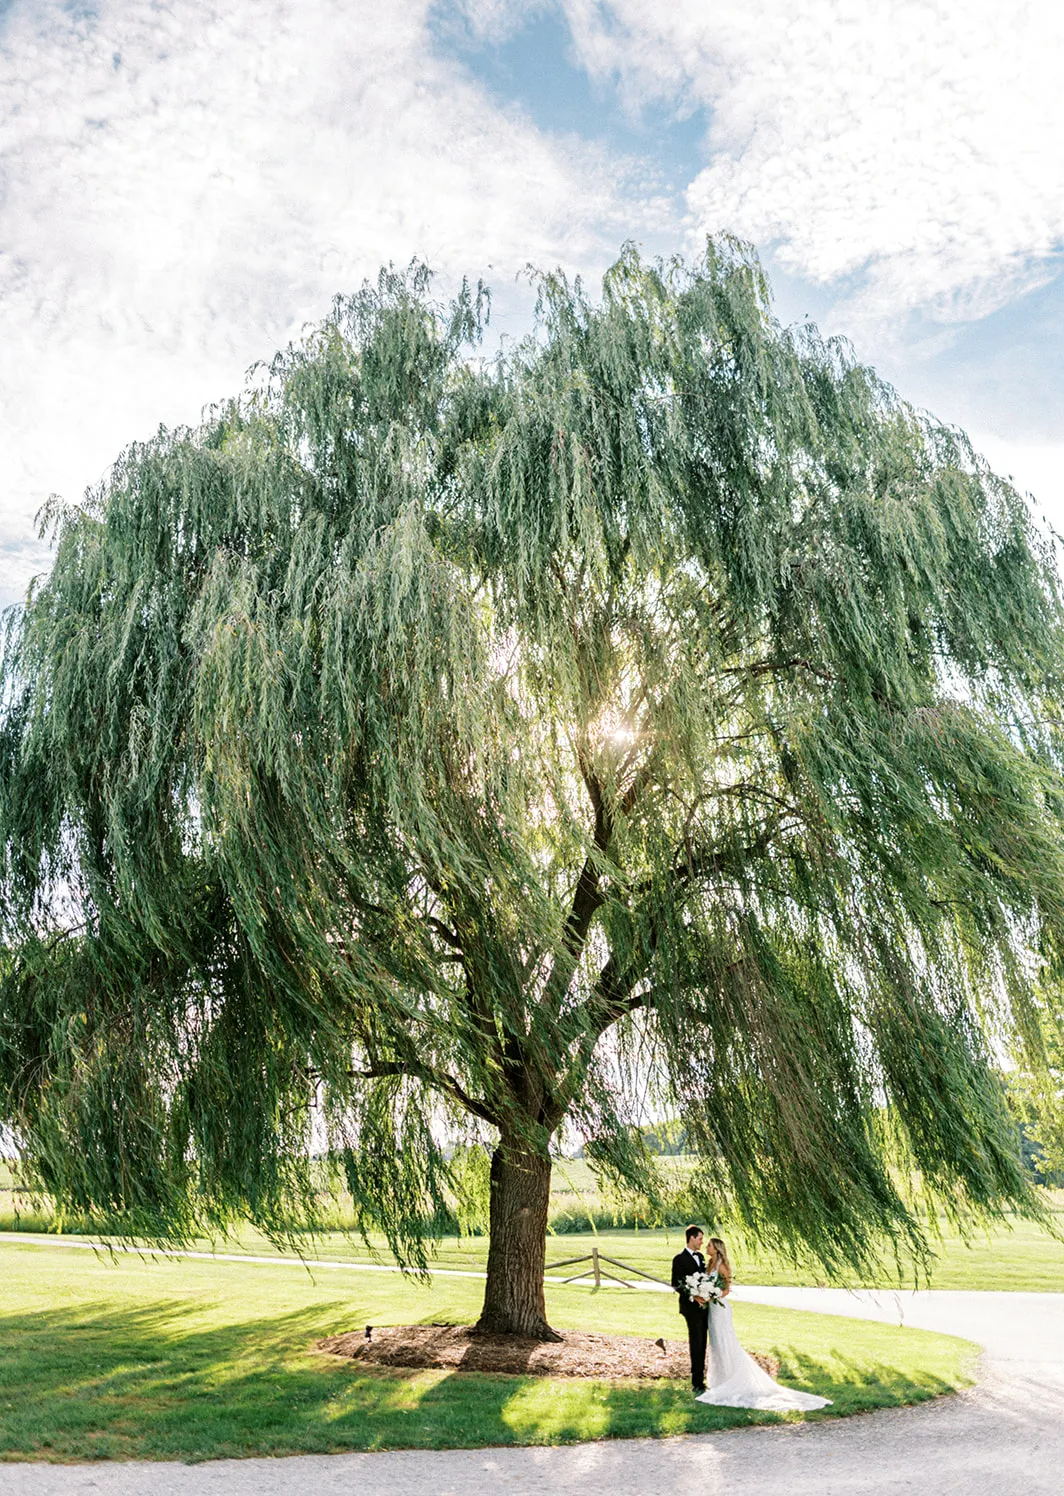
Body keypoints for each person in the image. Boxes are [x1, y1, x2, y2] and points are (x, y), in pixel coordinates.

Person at [695, 1236, 832, 1411]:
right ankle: (720, 1378)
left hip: (720, 1308)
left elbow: (727, 1288)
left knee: (725, 1340)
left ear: (717, 1249)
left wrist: (713, 1295)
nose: (707, 1247)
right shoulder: (709, 1264)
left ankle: (731, 1378)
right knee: (716, 1343)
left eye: (710, 1245)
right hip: (712, 1309)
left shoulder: (721, 1266)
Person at [671, 1223, 711, 1395]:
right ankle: (696, 1382)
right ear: (692, 1238)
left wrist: (707, 1293)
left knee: (703, 1342)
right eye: (700, 1238)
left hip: (704, 1308)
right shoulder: (679, 1259)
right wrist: (694, 1296)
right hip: (690, 1308)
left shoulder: (701, 1257)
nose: (702, 1242)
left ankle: (701, 1378)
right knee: (696, 1343)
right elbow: (676, 1284)